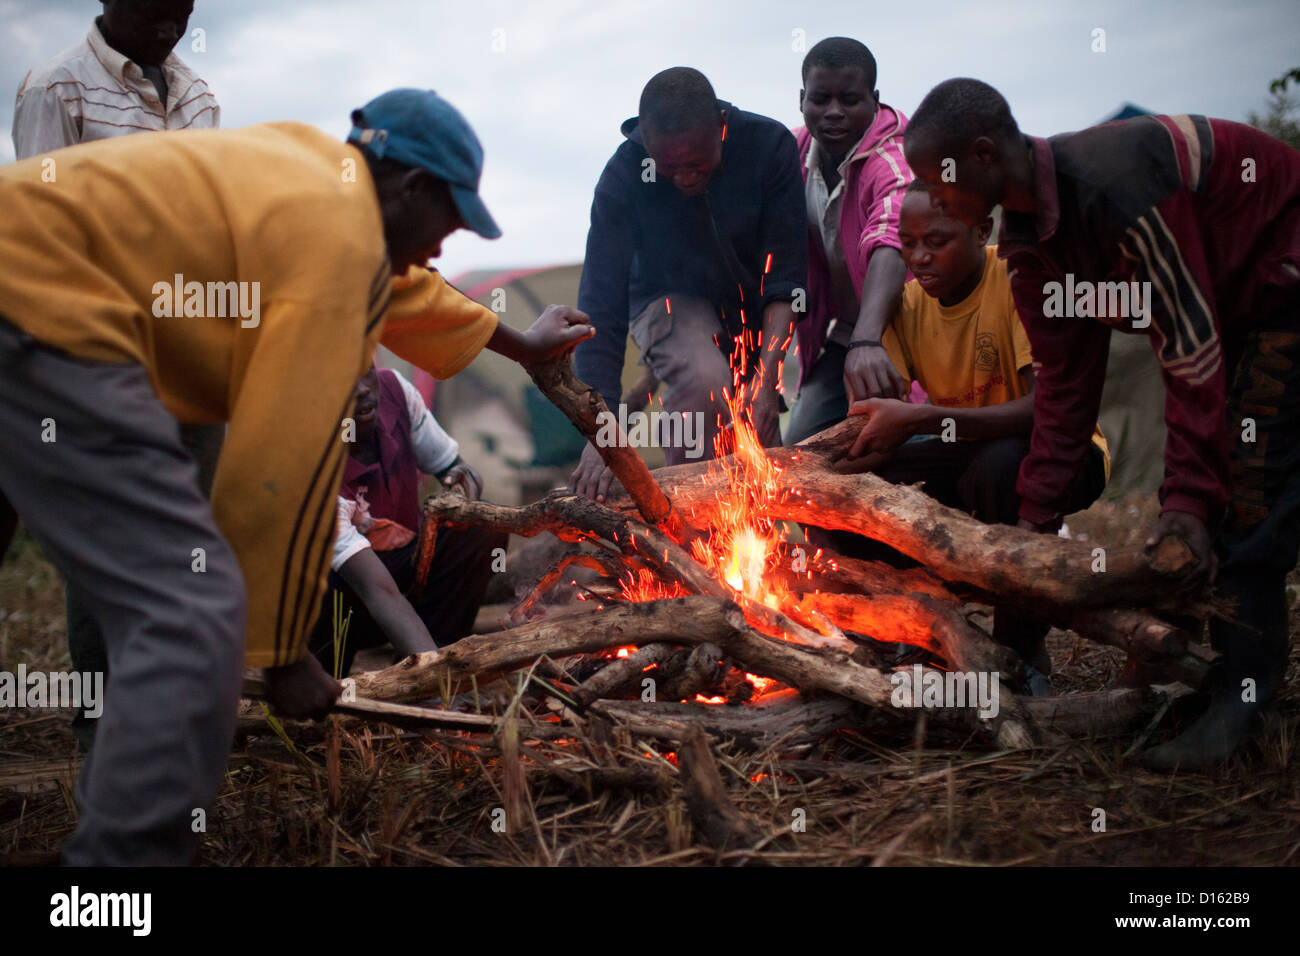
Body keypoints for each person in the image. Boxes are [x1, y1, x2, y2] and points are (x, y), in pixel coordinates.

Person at [0, 88, 593, 864]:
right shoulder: (332, 249)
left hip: (22, 277)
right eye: (449, 222)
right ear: (411, 187)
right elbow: (272, 473)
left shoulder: (318, 178)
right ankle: (115, 889)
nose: (446, 248)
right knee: (191, 612)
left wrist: (524, 345)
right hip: (42, 315)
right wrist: (280, 654)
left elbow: (404, 290)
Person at [903, 77, 1300, 769]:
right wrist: (1031, 527)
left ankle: (1244, 705)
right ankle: (1190, 672)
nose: (933, 199)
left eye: (939, 181)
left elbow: (1188, 341)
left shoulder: (1118, 188)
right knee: (1220, 496)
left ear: (986, 154)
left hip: (1281, 278)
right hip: (1228, 307)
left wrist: (1186, 503)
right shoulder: (1034, 251)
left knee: (1249, 487)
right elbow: (1064, 388)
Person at [12, 0, 224, 754]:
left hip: (189, 349)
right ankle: (103, 726)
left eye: (183, 4)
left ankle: (166, 714)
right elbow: (41, 231)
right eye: (154, 1)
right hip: (99, 351)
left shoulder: (198, 96)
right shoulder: (58, 90)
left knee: (186, 531)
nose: (171, 17)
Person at [842, 180, 1109, 690]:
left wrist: (920, 419)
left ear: (982, 230)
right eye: (908, 242)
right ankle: (914, 631)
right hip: (965, 451)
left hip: (1062, 453)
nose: (919, 257)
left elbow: (1049, 411)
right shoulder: (904, 304)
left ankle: (1022, 652)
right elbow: (881, 416)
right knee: (863, 492)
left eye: (936, 241)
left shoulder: (1016, 279)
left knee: (1000, 468)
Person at [570, 66, 806, 501]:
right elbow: (599, 305)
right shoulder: (624, 177)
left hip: (752, 309)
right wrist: (600, 429)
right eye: (668, 168)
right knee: (704, 381)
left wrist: (768, 378)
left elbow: (786, 280)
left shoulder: (768, 147)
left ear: (721, 128)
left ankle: (759, 552)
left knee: (756, 440)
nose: (684, 178)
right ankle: (689, 539)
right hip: (666, 300)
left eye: (696, 164)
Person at [307, 363, 507, 677]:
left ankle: (435, 649)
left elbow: (456, 468)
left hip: (405, 580)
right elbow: (378, 591)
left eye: (364, 369)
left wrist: (459, 488)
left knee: (480, 527)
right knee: (325, 593)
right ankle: (333, 681)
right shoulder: (312, 470)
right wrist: (436, 680)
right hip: (343, 607)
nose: (362, 389)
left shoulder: (395, 391)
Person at [784, 36, 912, 445]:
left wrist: (869, 340)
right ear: (802, 98)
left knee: (907, 446)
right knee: (799, 451)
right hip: (845, 336)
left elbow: (891, 240)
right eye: (821, 99)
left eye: (850, 100)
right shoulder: (792, 153)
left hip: (910, 333)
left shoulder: (895, 159)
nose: (834, 113)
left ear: (874, 100)